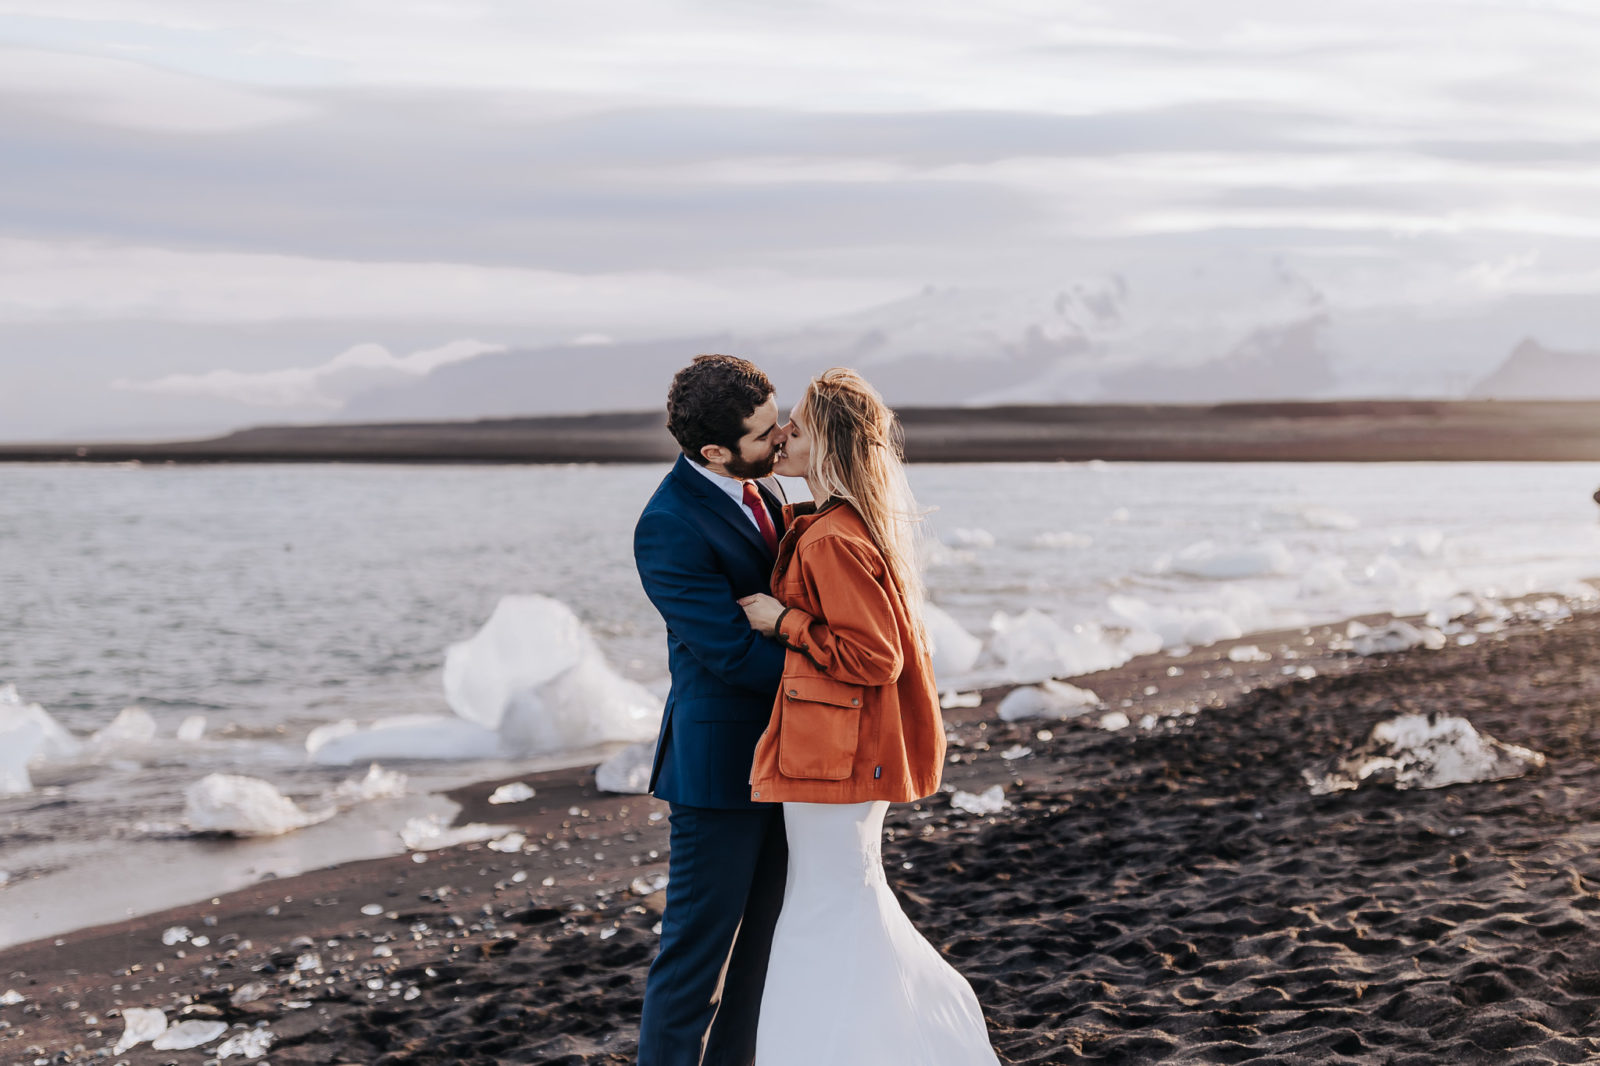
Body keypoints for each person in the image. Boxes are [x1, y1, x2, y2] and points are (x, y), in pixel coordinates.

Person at [737, 368, 1000, 1065]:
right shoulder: (841, 524)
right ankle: (918, 1036)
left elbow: (875, 656)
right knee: (841, 901)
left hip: (835, 756)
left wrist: (783, 620)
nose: (782, 434)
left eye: (797, 424)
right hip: (844, 752)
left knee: (824, 910)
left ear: (827, 443)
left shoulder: (831, 537)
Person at [633, 355, 792, 1066]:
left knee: (761, 952)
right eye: (764, 433)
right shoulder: (667, 525)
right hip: (719, 771)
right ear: (714, 452)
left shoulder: (769, 486)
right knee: (696, 960)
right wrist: (845, 680)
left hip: (787, 754)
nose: (781, 437)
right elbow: (732, 654)